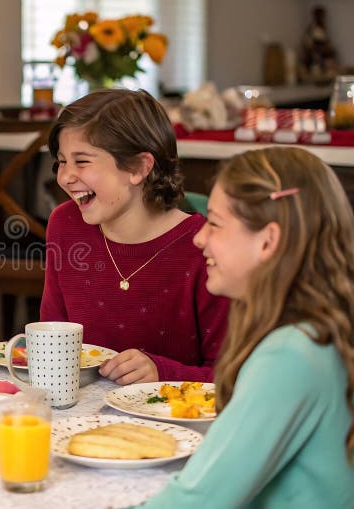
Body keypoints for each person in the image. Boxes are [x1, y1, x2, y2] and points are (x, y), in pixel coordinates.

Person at [144, 146, 354, 507]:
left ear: (268, 241)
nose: (199, 238)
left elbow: (199, 501)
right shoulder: (317, 329)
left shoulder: (291, 354)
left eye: (215, 223)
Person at [41, 89, 229, 384]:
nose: (64, 177)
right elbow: (50, 340)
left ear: (140, 167)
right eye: (62, 161)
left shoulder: (204, 246)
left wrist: (163, 373)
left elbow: (231, 376)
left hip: (174, 424)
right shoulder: (65, 225)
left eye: (82, 162)